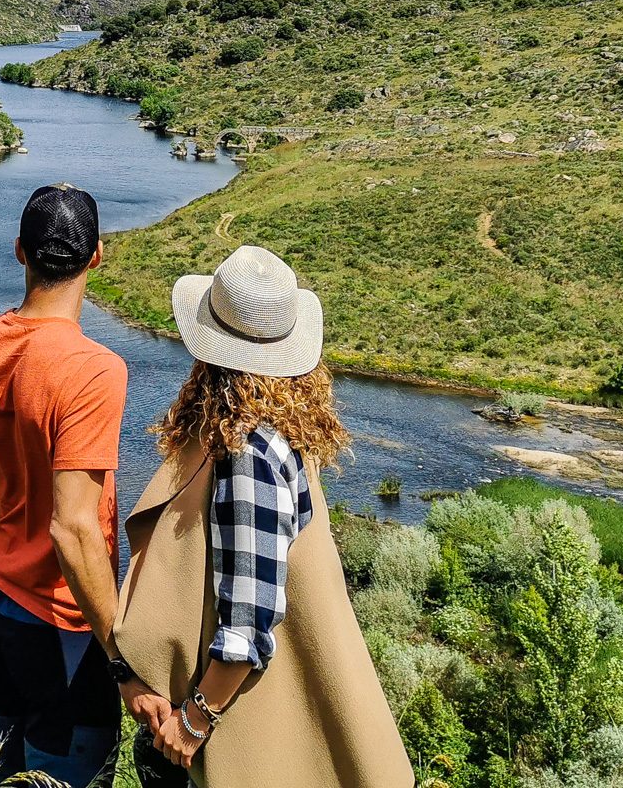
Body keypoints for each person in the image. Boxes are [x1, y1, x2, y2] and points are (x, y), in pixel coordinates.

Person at [112, 245, 416, 787]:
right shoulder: (272, 429)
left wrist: (192, 722)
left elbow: (249, 621)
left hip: (229, 734)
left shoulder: (250, 452)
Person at [0, 184, 171, 787]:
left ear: (20, 252)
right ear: (97, 256)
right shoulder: (95, 369)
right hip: (64, 632)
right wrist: (124, 663)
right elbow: (72, 528)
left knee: (0, 775)